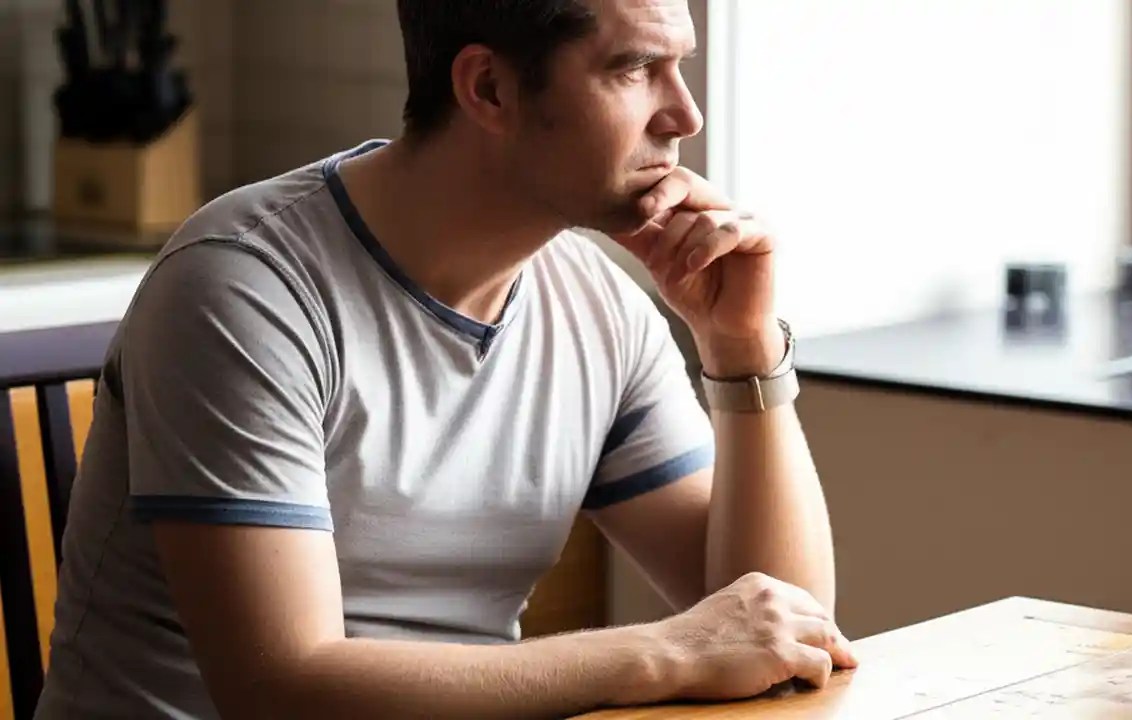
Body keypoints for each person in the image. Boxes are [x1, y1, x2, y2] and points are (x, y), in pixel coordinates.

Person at [35, 1, 856, 717]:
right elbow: (282, 691)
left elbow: (784, 630)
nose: (684, 115)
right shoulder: (244, 290)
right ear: (489, 89)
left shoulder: (598, 306)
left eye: (680, 66)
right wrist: (666, 654)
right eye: (636, 67)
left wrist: (741, 350)